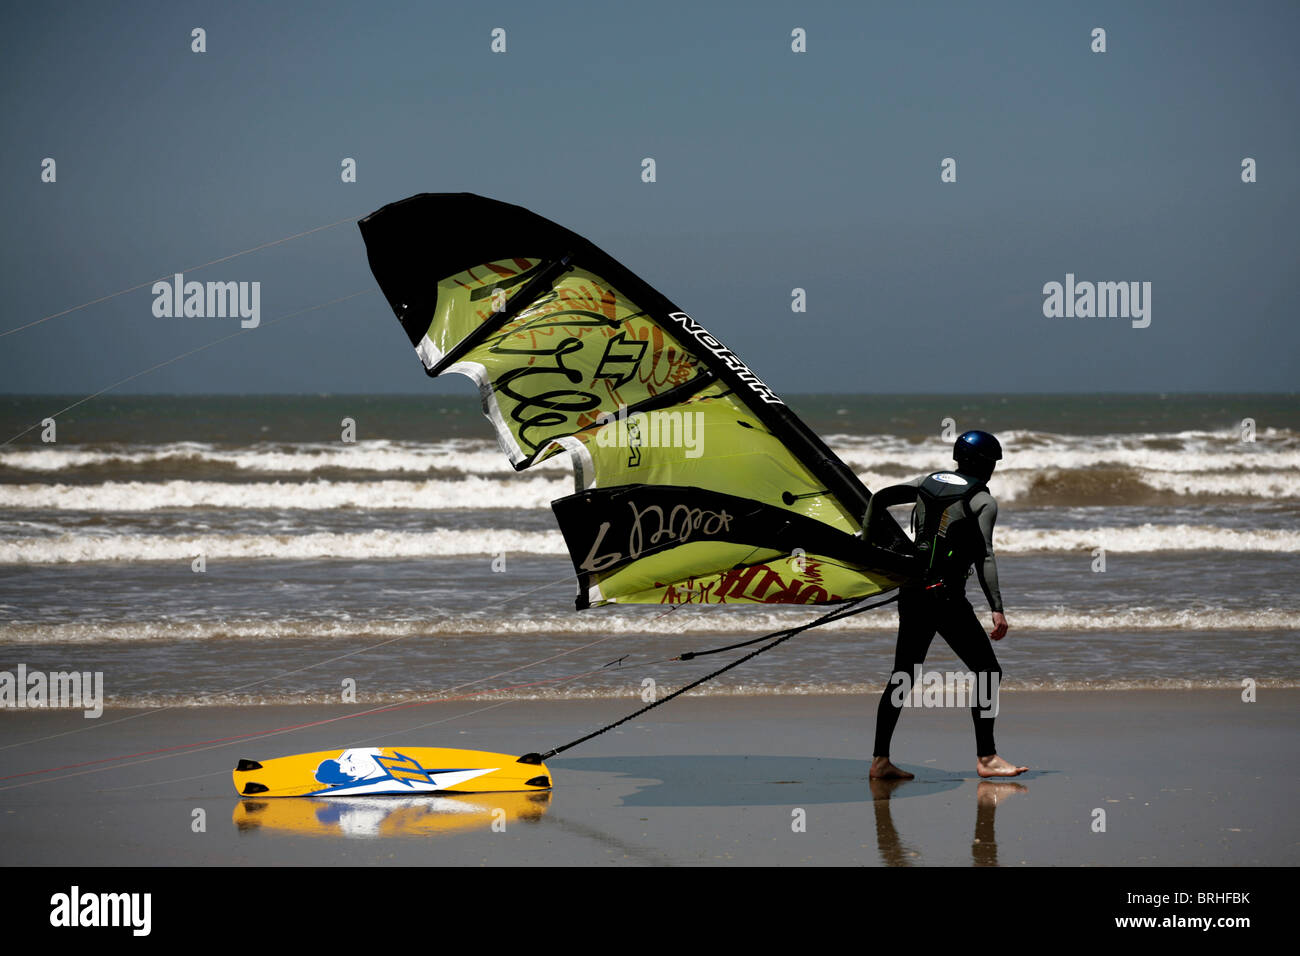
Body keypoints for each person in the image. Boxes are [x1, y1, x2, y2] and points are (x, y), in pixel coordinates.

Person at [869, 430, 1028, 779]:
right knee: (988, 671)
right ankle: (986, 759)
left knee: (904, 674)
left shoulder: (926, 481)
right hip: (946, 598)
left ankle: (880, 761)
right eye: (991, 464)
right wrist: (997, 608)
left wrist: (867, 543)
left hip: (912, 592)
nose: (992, 471)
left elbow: (879, 498)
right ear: (982, 464)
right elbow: (986, 556)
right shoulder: (982, 501)